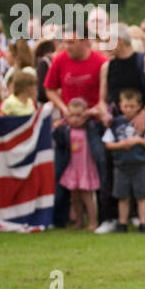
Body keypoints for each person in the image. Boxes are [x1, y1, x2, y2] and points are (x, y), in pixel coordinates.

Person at [44, 23, 109, 228]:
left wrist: (89, 113)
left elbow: (105, 97)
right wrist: (65, 110)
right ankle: (60, 218)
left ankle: (104, 216)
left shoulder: (100, 62)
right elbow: (50, 89)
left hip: (93, 124)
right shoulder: (60, 59)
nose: (67, 46)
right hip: (67, 125)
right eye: (65, 42)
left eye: (71, 42)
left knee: (100, 164)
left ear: (84, 41)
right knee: (60, 170)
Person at [103, 89, 145, 233]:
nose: (128, 109)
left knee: (142, 195)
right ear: (120, 106)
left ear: (139, 106)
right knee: (122, 196)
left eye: (132, 106)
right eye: (125, 106)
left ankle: (143, 223)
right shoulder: (115, 124)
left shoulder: (144, 123)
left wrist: (138, 140)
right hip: (121, 165)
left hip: (140, 164)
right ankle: (122, 223)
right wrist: (121, 145)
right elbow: (107, 143)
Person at [57, 98, 100, 230]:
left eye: (79, 115)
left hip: (86, 168)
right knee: (75, 197)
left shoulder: (91, 129)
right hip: (72, 168)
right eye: (72, 115)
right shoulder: (66, 131)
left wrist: (92, 113)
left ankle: (93, 221)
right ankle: (79, 221)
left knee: (87, 196)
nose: (75, 119)